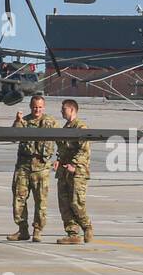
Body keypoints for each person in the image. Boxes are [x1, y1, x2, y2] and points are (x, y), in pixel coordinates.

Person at [8, 94, 57, 241]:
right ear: (31, 107)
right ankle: (22, 230)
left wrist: (59, 159)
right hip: (24, 166)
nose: (37, 110)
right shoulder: (24, 121)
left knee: (41, 201)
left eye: (40, 107)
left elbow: (62, 140)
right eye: (35, 107)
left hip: (42, 167)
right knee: (19, 198)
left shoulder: (50, 122)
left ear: (44, 107)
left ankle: (38, 230)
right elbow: (13, 137)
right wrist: (17, 121)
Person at [54, 98, 92, 245]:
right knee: (64, 203)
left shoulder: (80, 127)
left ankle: (87, 226)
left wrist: (74, 165)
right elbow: (62, 149)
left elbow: (84, 149)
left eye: (64, 109)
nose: (61, 111)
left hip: (77, 172)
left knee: (76, 202)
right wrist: (59, 159)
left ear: (72, 110)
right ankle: (72, 233)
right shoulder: (66, 128)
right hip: (64, 171)